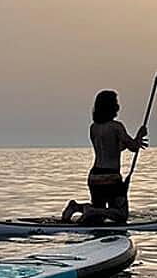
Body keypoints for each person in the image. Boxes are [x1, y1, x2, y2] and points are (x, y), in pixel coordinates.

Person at [61, 89, 148, 224]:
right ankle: (91, 210)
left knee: (98, 219)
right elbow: (132, 147)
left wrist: (136, 140)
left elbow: (114, 149)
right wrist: (140, 135)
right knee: (121, 215)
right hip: (111, 177)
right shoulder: (116, 126)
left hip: (95, 177)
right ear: (112, 107)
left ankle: (77, 207)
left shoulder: (93, 128)